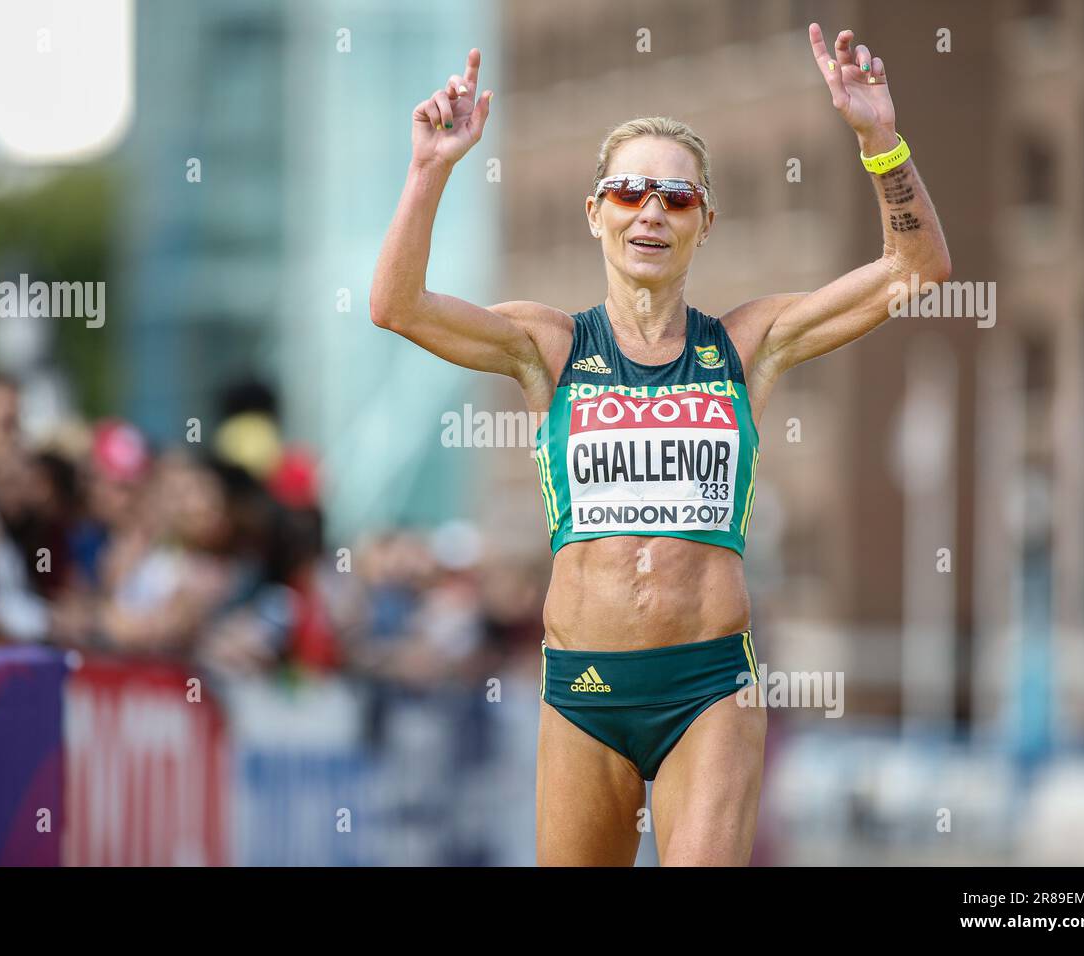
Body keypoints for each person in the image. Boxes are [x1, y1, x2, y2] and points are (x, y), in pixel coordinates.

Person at [369, 27, 950, 866]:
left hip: (708, 687)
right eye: (629, 191)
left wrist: (878, 139)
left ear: (704, 221)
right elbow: (397, 305)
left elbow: (918, 267)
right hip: (583, 693)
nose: (651, 211)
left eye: (676, 198)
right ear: (595, 212)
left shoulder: (749, 344)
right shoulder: (550, 345)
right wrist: (430, 169)